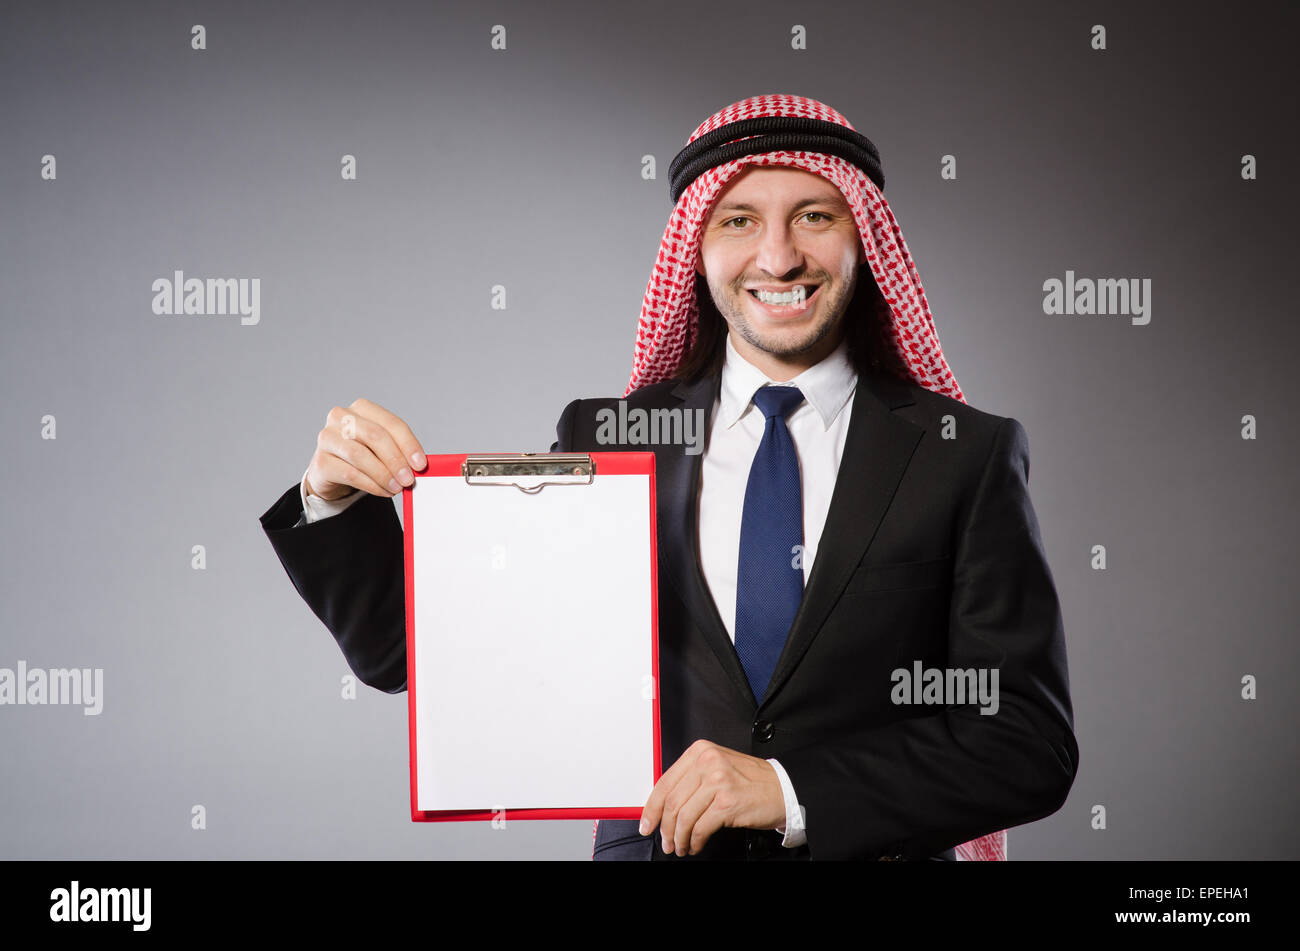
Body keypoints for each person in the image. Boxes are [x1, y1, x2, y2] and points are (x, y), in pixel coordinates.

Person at [260, 94, 1078, 861]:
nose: (778, 254)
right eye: (739, 220)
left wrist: (788, 790)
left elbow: (1025, 742)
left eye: (814, 216)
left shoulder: (960, 454)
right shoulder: (610, 441)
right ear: (697, 246)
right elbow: (419, 658)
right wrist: (332, 502)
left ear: (861, 237)